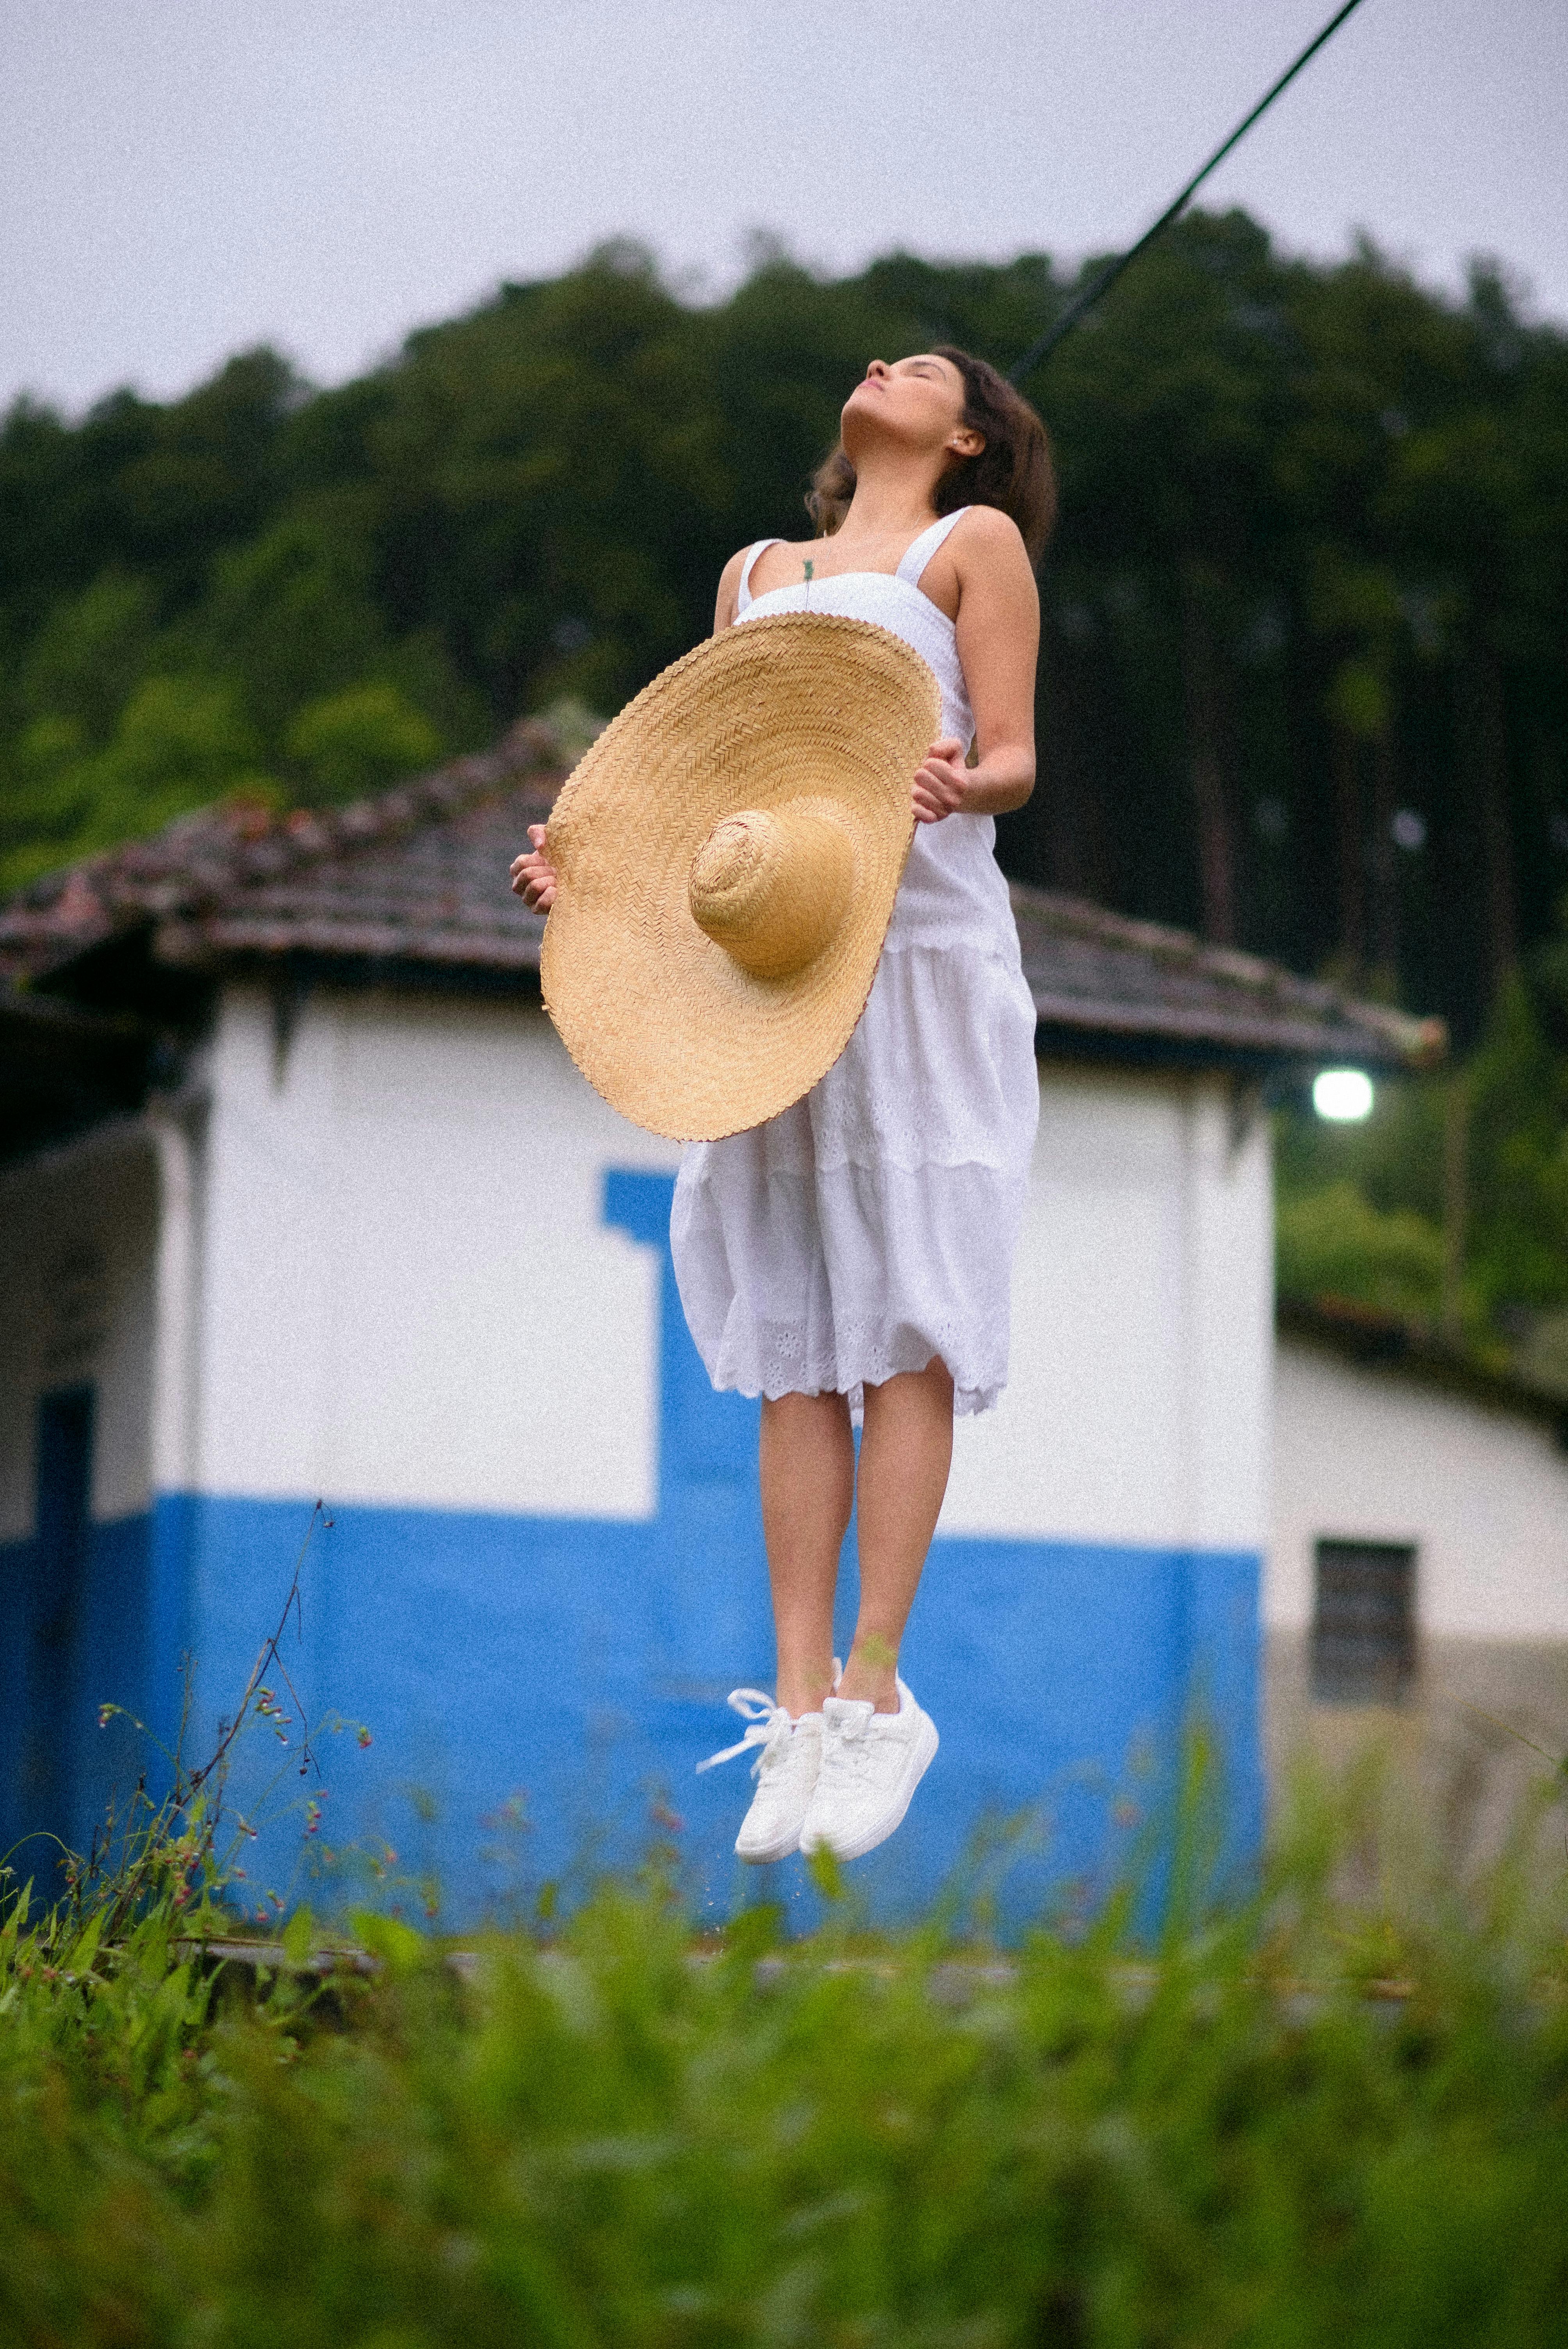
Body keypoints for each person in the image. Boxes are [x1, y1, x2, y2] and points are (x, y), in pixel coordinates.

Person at [512, 347, 1055, 1866]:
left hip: (922, 954)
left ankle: (879, 1690)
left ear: (969, 435)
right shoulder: (752, 573)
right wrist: (595, 879)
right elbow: (715, 797)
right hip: (781, 974)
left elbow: (1015, 755)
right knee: (797, 1348)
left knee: (910, 1322)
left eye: (918, 365)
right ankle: (803, 1705)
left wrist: (968, 784)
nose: (878, 363)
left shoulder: (971, 545)